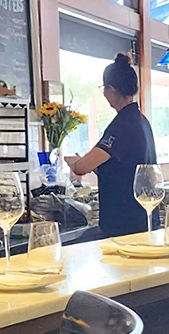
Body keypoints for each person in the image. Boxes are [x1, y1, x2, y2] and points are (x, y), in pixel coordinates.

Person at [65, 53, 158, 237]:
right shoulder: (141, 120)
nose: (104, 93)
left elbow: (82, 167)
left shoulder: (121, 125)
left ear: (112, 89)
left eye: (104, 88)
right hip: (143, 220)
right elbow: (121, 168)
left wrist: (74, 162)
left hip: (125, 224)